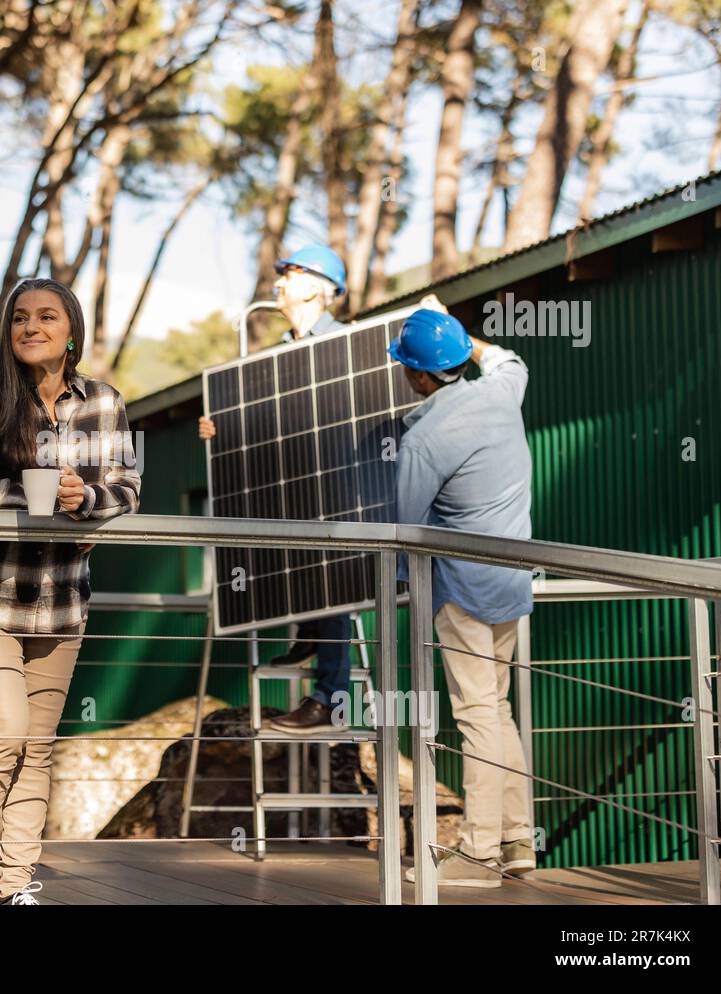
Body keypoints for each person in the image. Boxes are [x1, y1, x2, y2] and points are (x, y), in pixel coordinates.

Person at [0, 277, 141, 905]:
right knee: (4, 729)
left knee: (37, 745)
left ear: (71, 330)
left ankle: (18, 880)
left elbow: (127, 491)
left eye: (46, 317)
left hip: (62, 603)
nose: (31, 327)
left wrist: (85, 501)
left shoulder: (105, 404)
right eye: (20, 318)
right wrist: (59, 517)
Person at [387, 308, 535, 889]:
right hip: (512, 582)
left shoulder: (424, 438)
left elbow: (403, 526)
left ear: (420, 377)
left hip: (464, 591)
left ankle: (477, 857)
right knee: (494, 710)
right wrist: (457, 333)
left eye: (406, 367)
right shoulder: (503, 391)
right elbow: (509, 358)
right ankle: (518, 839)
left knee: (476, 716)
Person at [198, 244, 356, 735]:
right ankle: (307, 629)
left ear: (315, 287)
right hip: (297, 496)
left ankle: (331, 700)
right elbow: (274, 427)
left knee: (334, 581)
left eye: (289, 275)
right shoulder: (280, 356)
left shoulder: (348, 350)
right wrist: (223, 430)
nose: (279, 284)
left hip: (341, 494)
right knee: (292, 559)